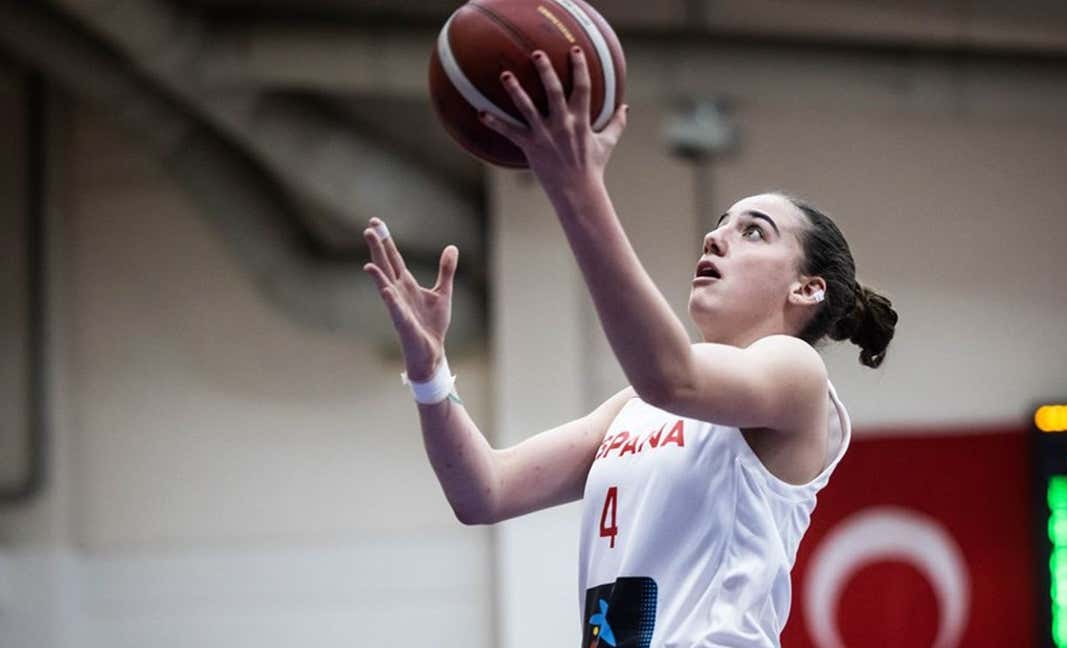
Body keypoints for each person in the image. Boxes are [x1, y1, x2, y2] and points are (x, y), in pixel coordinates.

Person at [362, 46, 897, 648]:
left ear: (807, 288)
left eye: (753, 231)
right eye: (720, 222)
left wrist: (576, 188)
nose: (716, 236)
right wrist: (430, 374)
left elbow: (671, 375)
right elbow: (484, 491)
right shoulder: (634, 407)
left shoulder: (795, 372)